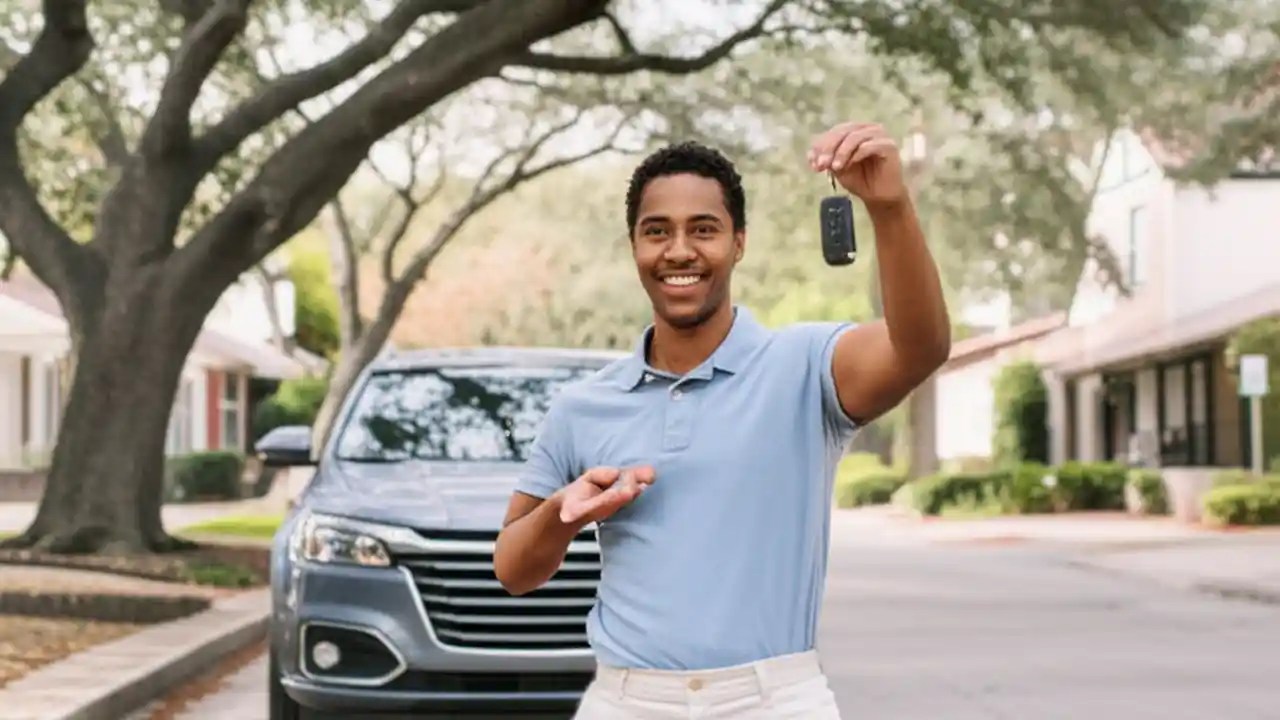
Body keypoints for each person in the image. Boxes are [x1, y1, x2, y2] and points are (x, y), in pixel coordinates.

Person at [493, 121, 951, 719]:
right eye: (657, 232)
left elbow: (920, 347)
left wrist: (889, 209)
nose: (679, 251)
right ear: (634, 245)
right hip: (627, 701)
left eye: (702, 230)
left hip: (774, 699)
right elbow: (513, 570)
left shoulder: (805, 366)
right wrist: (562, 512)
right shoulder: (584, 406)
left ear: (738, 242)